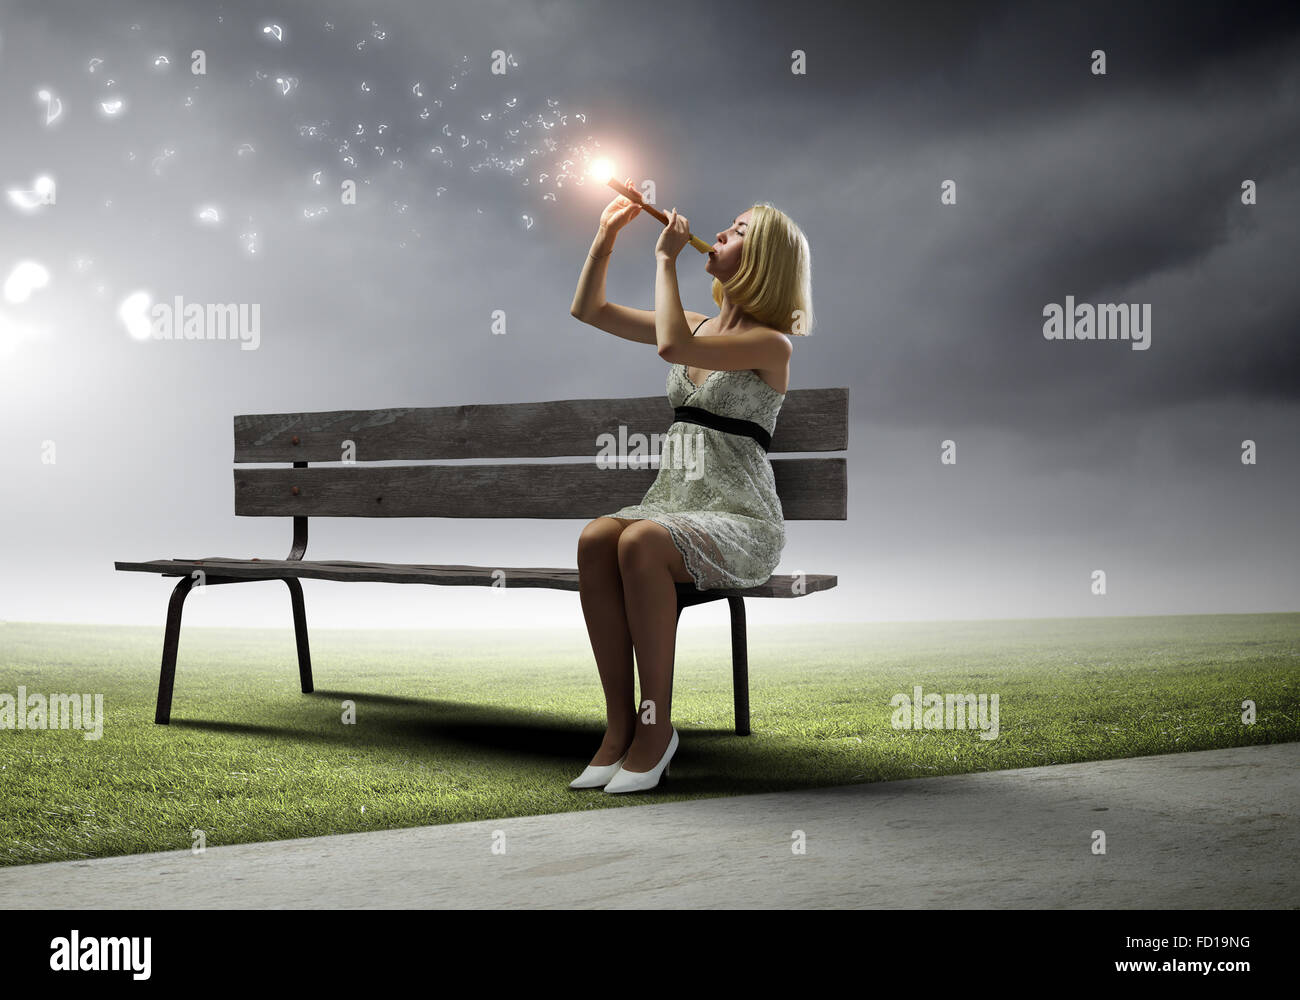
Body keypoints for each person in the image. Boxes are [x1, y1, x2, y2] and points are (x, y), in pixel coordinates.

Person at [568, 179, 814, 793]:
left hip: (740, 520)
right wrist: (605, 239)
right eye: (728, 225)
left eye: (739, 232)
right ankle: (618, 729)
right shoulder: (698, 323)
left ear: (761, 263)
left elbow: (671, 344)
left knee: (640, 543)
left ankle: (658, 730)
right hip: (674, 506)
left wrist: (663, 258)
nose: (724, 233)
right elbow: (590, 311)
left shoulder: (769, 344)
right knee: (599, 538)